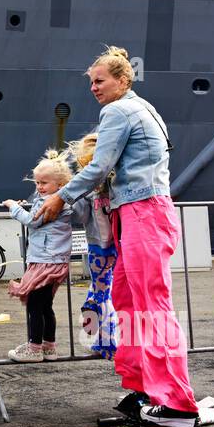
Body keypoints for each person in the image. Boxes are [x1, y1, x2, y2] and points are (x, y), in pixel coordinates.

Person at [31, 46, 200, 427]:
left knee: (151, 306)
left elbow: (102, 165)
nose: (93, 87)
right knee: (126, 299)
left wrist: (62, 195)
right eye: (91, 81)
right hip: (136, 214)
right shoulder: (144, 109)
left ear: (123, 80)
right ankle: (145, 390)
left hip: (143, 213)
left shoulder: (118, 110)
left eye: (100, 80)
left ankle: (176, 403)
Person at [2, 155, 76, 363]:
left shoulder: (50, 203)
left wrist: (12, 207)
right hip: (56, 260)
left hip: (45, 260)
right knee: (45, 306)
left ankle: (34, 348)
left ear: (60, 184)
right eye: (37, 182)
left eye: (44, 183)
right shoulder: (61, 201)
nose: (39, 187)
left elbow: (32, 221)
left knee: (35, 304)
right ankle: (49, 347)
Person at [63, 134, 118, 359]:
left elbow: (81, 216)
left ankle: (107, 342)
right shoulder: (117, 186)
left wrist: (68, 196)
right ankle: (98, 325)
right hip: (114, 247)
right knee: (104, 290)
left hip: (98, 248)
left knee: (103, 294)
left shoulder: (90, 191)